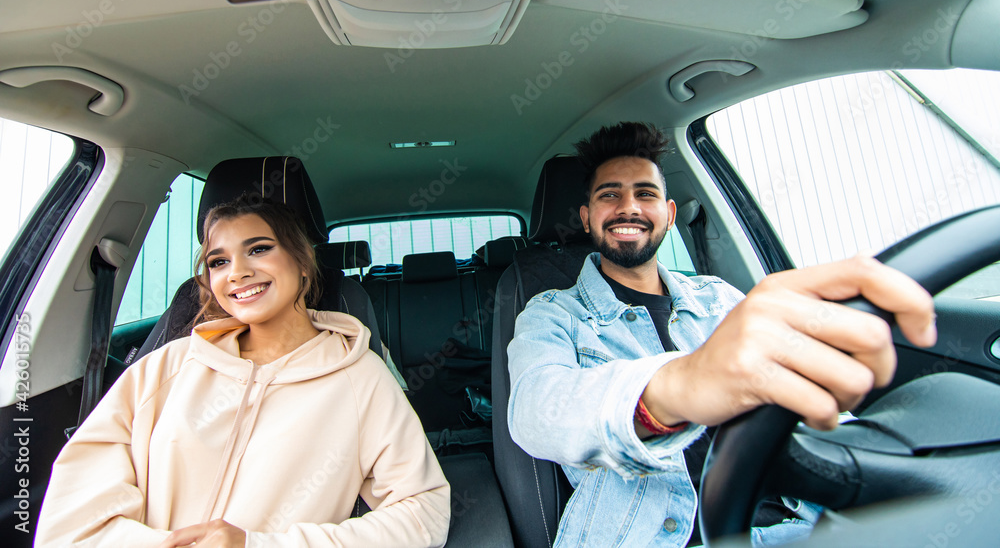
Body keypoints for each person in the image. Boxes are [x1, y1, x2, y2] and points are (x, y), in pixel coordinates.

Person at [507, 122, 936, 547]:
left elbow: (820, 414)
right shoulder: (552, 313)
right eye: (609, 195)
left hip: (806, 522)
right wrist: (680, 385)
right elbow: (535, 413)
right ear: (586, 218)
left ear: (670, 216)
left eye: (646, 193)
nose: (629, 208)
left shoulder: (720, 297)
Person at [36, 195, 451, 547]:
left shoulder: (361, 379)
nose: (237, 272)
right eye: (218, 261)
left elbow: (424, 512)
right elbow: (72, 515)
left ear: (303, 262)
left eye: (258, 249)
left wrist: (256, 544)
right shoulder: (167, 366)